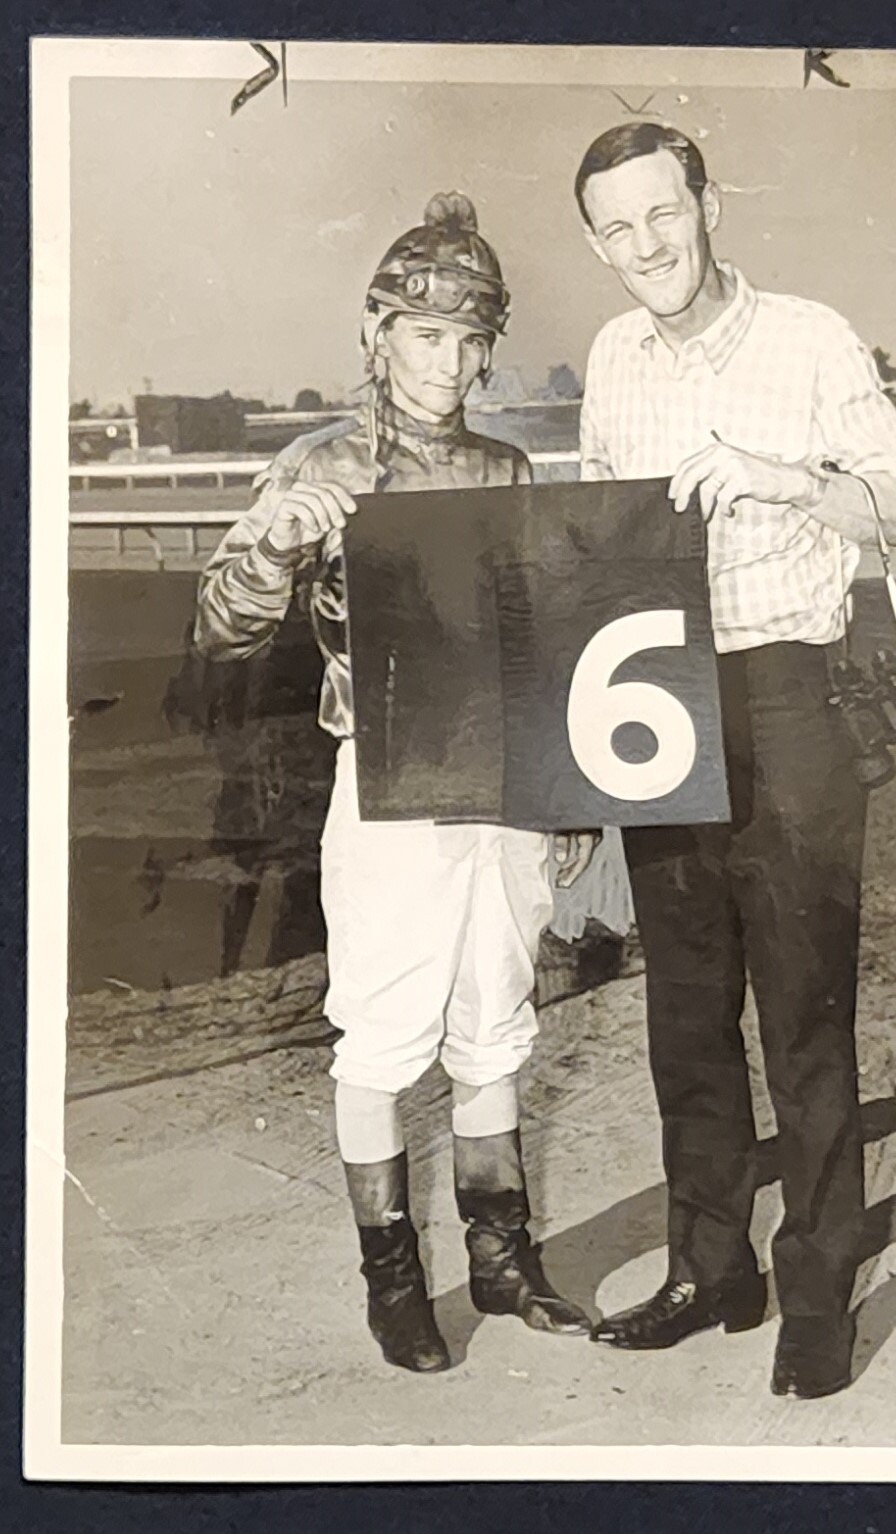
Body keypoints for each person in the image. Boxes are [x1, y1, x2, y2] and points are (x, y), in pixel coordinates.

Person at [194, 193, 594, 1374]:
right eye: (428, 336)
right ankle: (392, 1278)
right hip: (389, 786)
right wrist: (273, 546)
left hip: (506, 787)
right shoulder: (318, 464)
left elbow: (539, 642)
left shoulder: (504, 464)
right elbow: (217, 631)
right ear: (376, 332)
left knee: (495, 1030)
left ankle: (502, 1260)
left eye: (474, 340)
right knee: (380, 1042)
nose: (454, 362)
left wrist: (562, 789)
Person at [574, 123, 896, 1398]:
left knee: (804, 1013)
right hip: (656, 701)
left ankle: (819, 1285)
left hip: (788, 691)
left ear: (707, 203)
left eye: (660, 214)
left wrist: (776, 477)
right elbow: (599, 553)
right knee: (683, 1014)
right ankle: (710, 1265)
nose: (643, 247)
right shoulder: (612, 358)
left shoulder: (809, 336)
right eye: (613, 229)